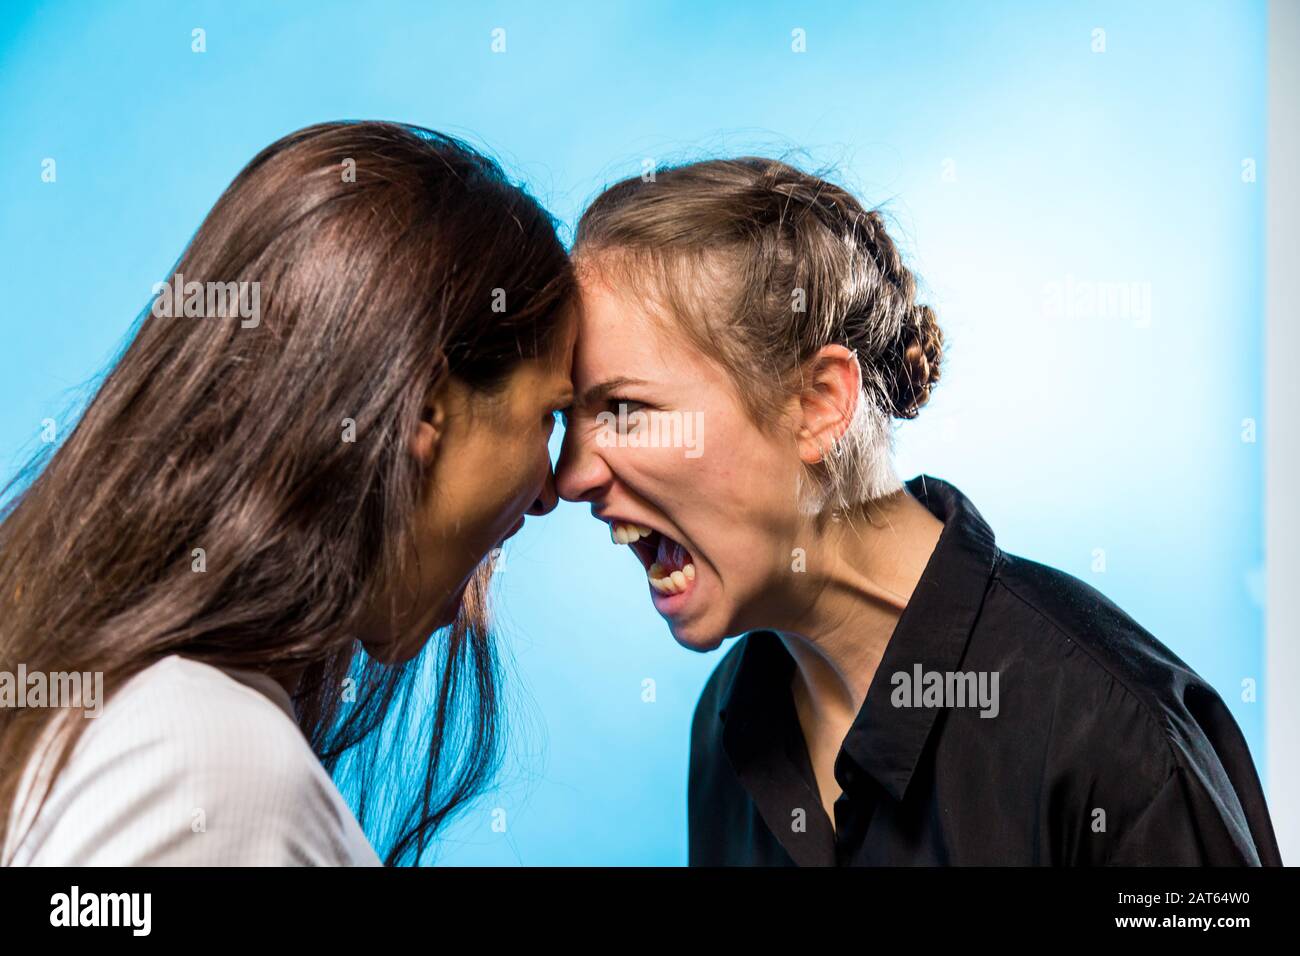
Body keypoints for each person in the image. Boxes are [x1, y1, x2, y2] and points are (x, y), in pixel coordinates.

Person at [555, 156, 1283, 865]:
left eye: (623, 410)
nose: (569, 478)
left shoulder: (1118, 745)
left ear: (817, 405)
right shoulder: (729, 724)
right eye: (569, 418)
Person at [0, 121, 576, 866]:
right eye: (548, 418)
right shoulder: (217, 769)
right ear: (424, 410)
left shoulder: (139, 721)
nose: (550, 492)